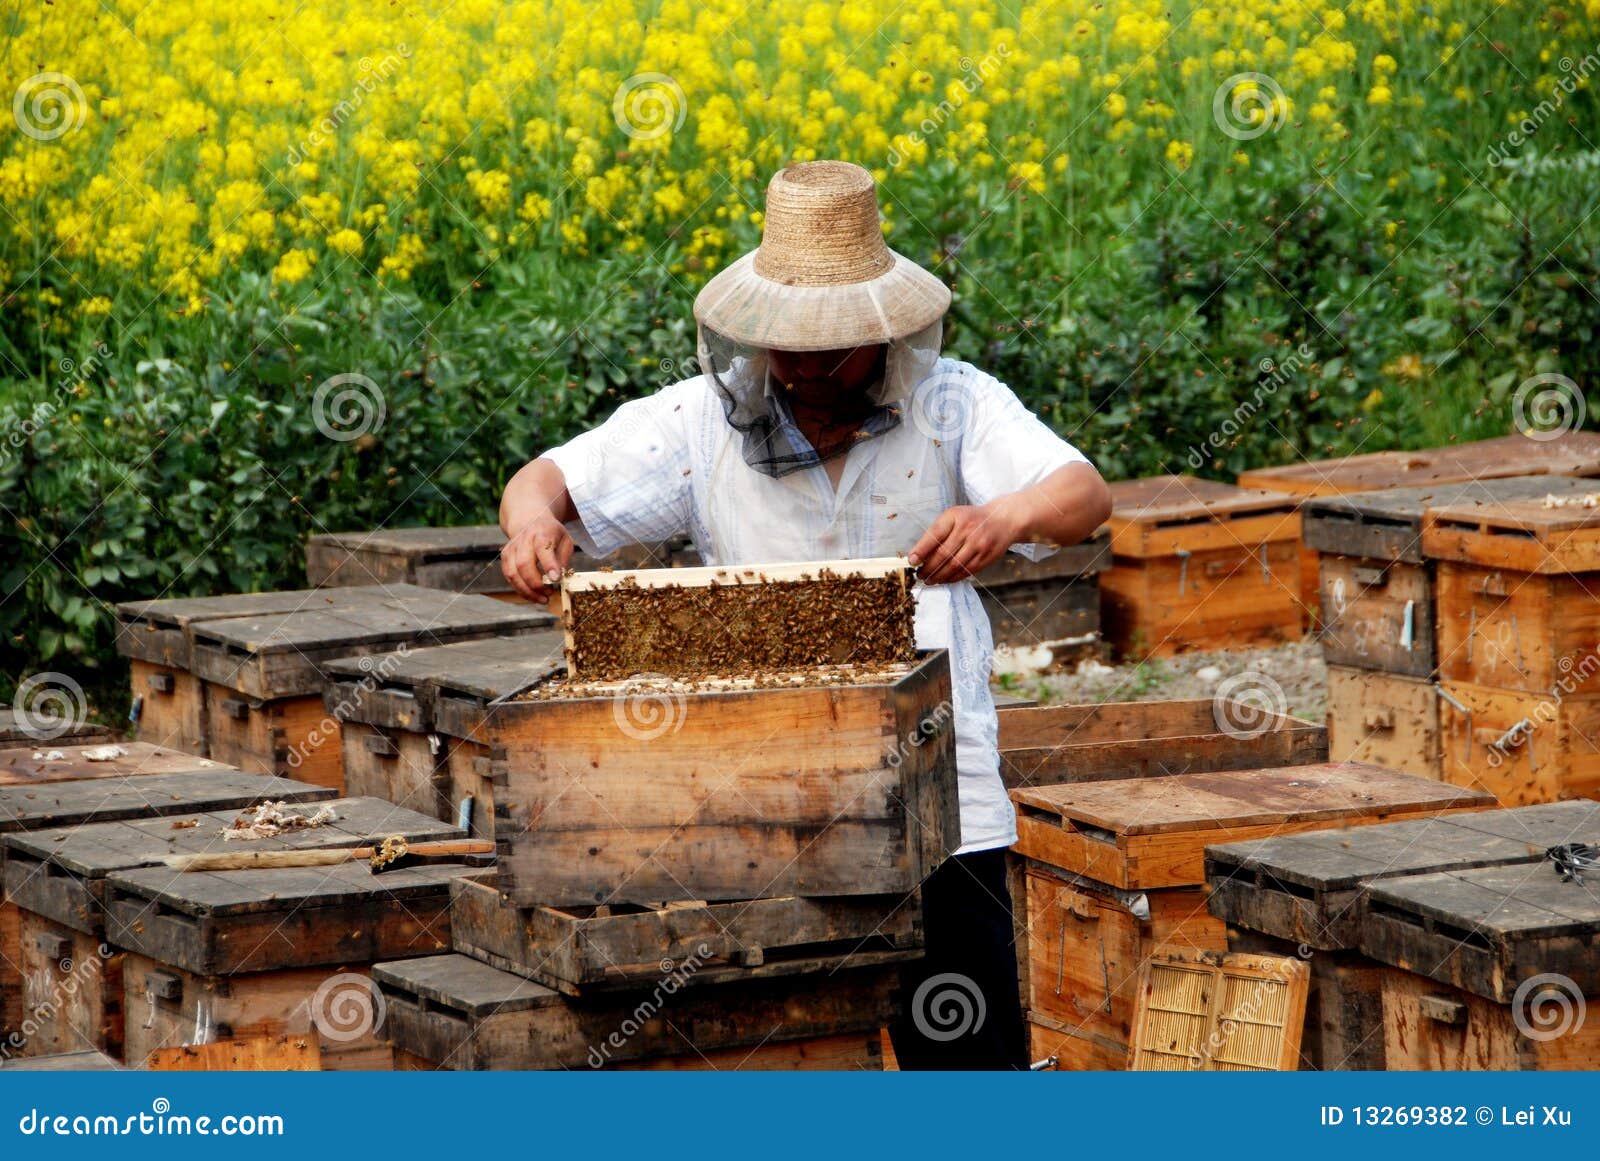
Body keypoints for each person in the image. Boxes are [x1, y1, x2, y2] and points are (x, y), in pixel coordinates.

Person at [500, 160, 1110, 1069]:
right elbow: (544, 481)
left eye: (833, 350)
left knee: (968, 1059)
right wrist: (532, 528)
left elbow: (1083, 492)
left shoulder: (955, 402)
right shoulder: (698, 424)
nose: (807, 370)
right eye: (789, 346)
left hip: (945, 799)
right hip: (755, 805)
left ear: (885, 331)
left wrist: (1002, 517)